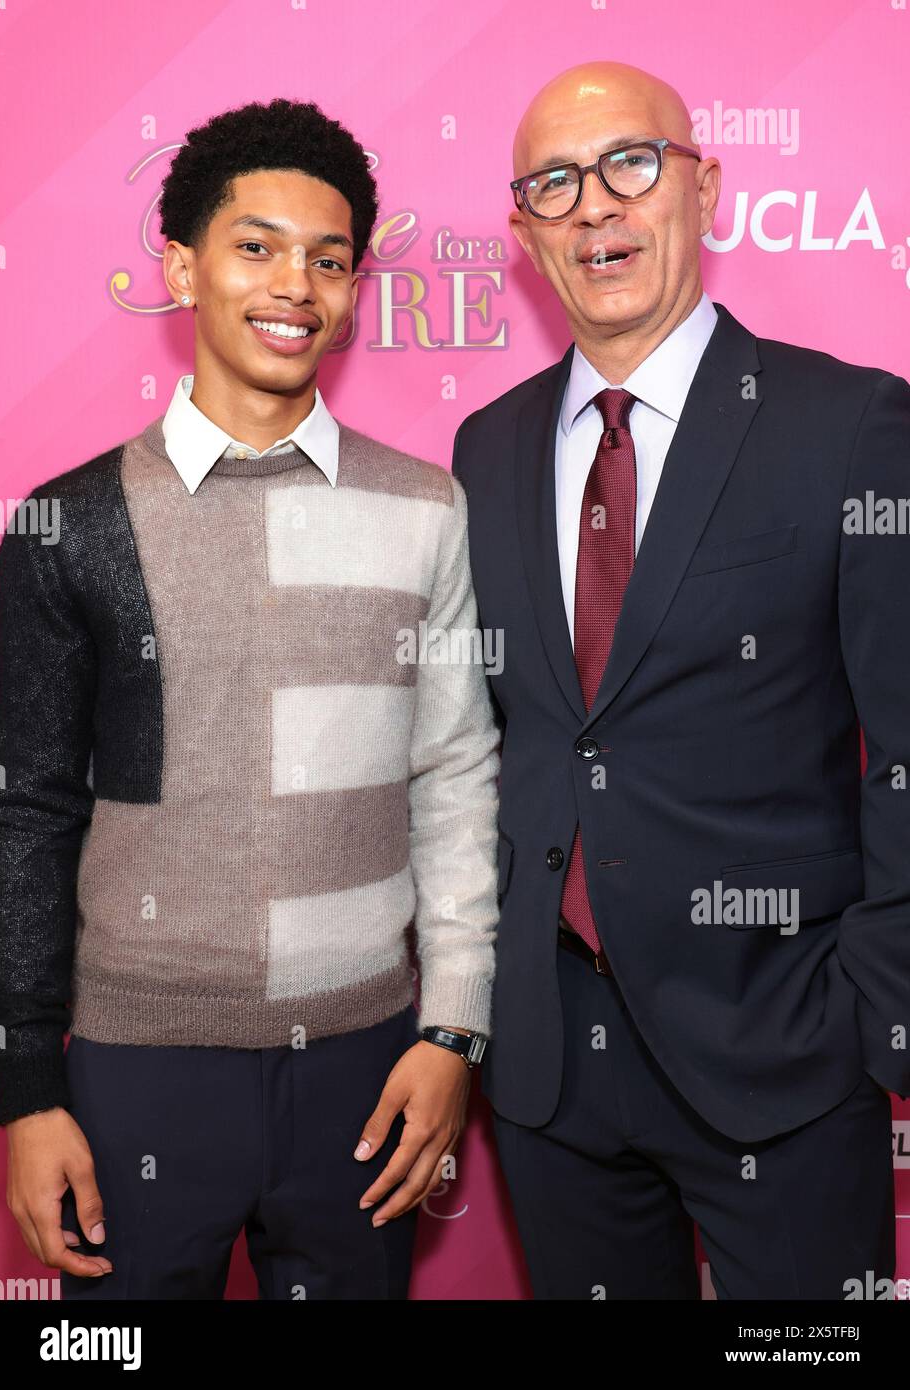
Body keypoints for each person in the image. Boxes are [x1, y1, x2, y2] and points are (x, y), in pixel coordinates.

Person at [0, 97, 500, 1300]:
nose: (295, 284)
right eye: (256, 245)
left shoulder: (427, 508)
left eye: (328, 259)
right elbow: (25, 812)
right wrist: (25, 1092)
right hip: (134, 1074)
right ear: (182, 265)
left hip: (368, 1071)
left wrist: (452, 1031)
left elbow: (457, 774)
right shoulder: (71, 524)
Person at [452, 60, 909, 1299]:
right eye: (554, 183)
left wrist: (871, 1008)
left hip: (784, 1052)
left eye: (629, 165)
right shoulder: (485, 449)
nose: (594, 205)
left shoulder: (848, 426)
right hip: (550, 1073)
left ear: (701, 189)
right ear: (523, 232)